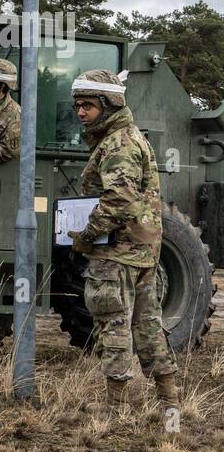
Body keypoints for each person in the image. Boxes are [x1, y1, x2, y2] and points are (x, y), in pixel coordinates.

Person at [66, 69, 176, 416]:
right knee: (148, 327)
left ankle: (115, 410)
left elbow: (118, 199)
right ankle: (169, 403)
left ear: (110, 104)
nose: (81, 112)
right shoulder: (128, 137)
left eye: (88, 105)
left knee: (112, 326)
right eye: (78, 106)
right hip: (142, 253)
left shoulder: (118, 143)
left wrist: (85, 237)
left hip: (118, 253)